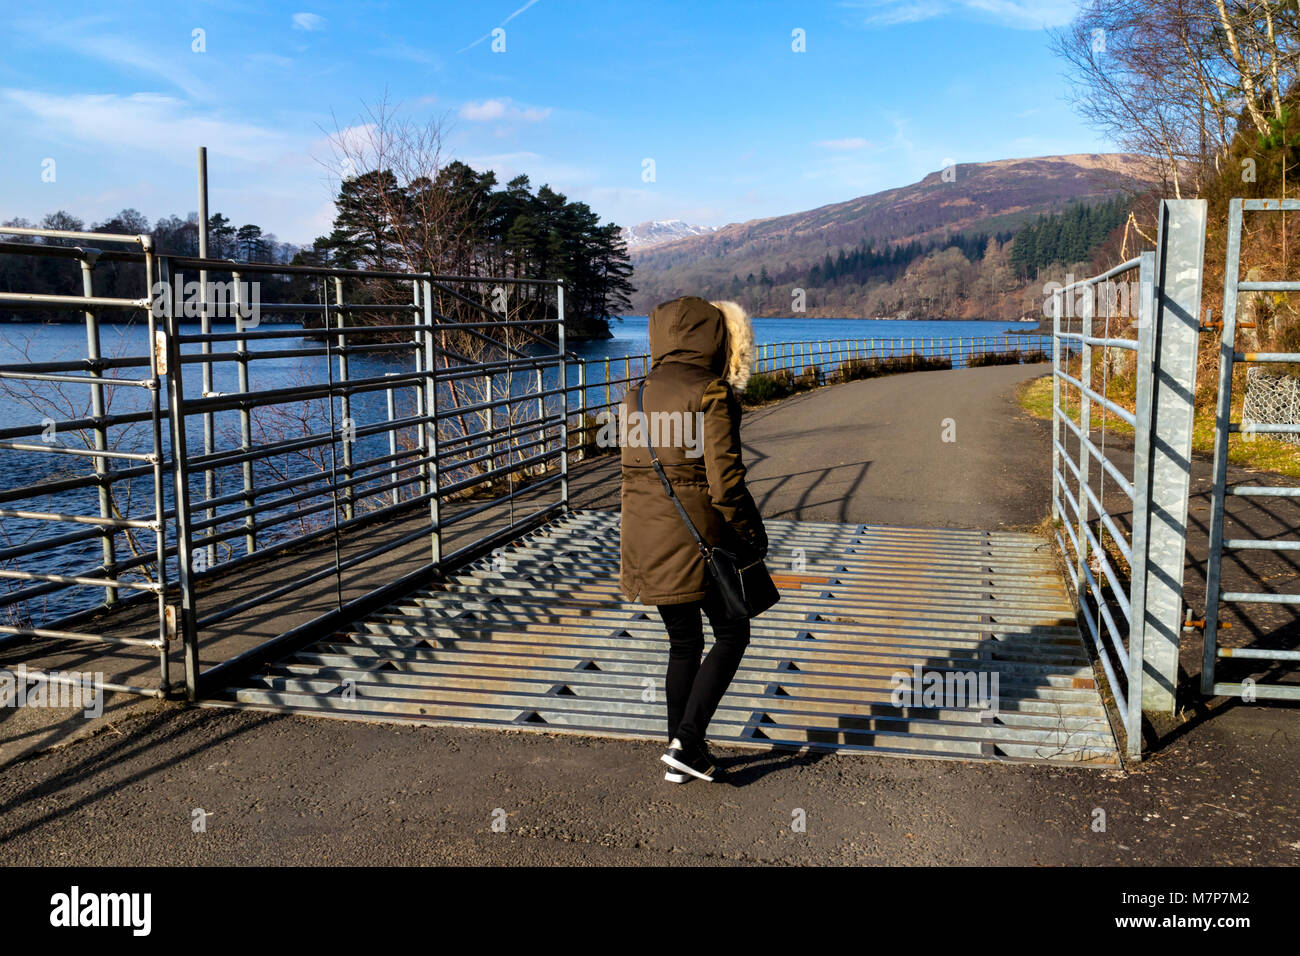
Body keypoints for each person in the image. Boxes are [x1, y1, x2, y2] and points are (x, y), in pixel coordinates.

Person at [618, 295, 768, 783]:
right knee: (732, 633)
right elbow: (726, 483)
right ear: (715, 336)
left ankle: (680, 751)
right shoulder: (712, 393)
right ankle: (688, 742)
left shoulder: (634, 393)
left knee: (683, 643)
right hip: (698, 538)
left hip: (642, 535)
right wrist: (751, 536)